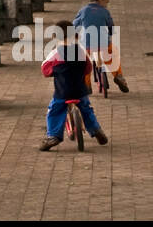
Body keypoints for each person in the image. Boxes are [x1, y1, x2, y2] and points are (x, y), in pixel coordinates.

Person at [39, 20, 109, 150]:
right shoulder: (81, 52)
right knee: (86, 109)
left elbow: (45, 69)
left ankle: (53, 136)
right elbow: (88, 68)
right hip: (80, 91)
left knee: (54, 111)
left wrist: (53, 72)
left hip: (62, 92)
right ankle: (96, 130)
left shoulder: (55, 53)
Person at [74, 0, 129, 92]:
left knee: (83, 63)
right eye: (106, 2)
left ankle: (86, 85)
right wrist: (111, 33)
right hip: (104, 43)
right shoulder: (105, 11)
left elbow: (74, 24)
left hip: (87, 44)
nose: (106, 5)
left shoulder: (83, 10)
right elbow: (111, 25)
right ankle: (118, 76)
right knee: (114, 57)